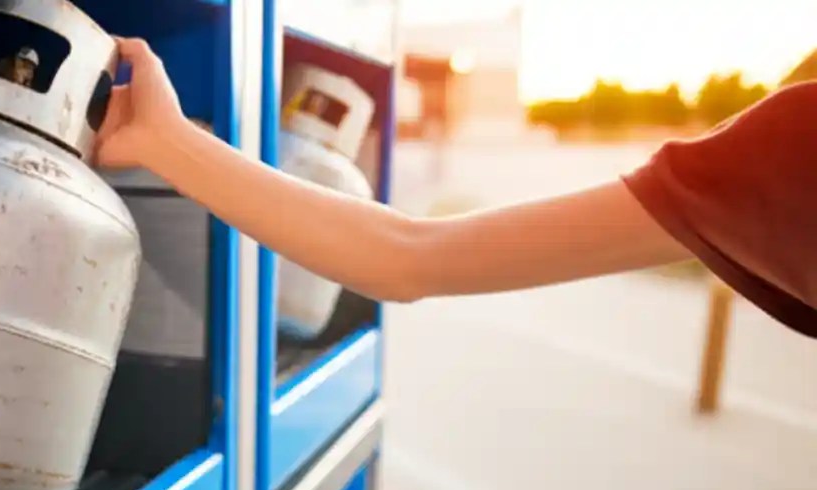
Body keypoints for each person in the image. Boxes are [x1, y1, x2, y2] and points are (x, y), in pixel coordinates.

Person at [95, 38, 817, 339]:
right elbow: (410, 257)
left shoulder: (794, 140)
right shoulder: (791, 143)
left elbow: (412, 258)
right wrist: (166, 141)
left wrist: (168, 142)